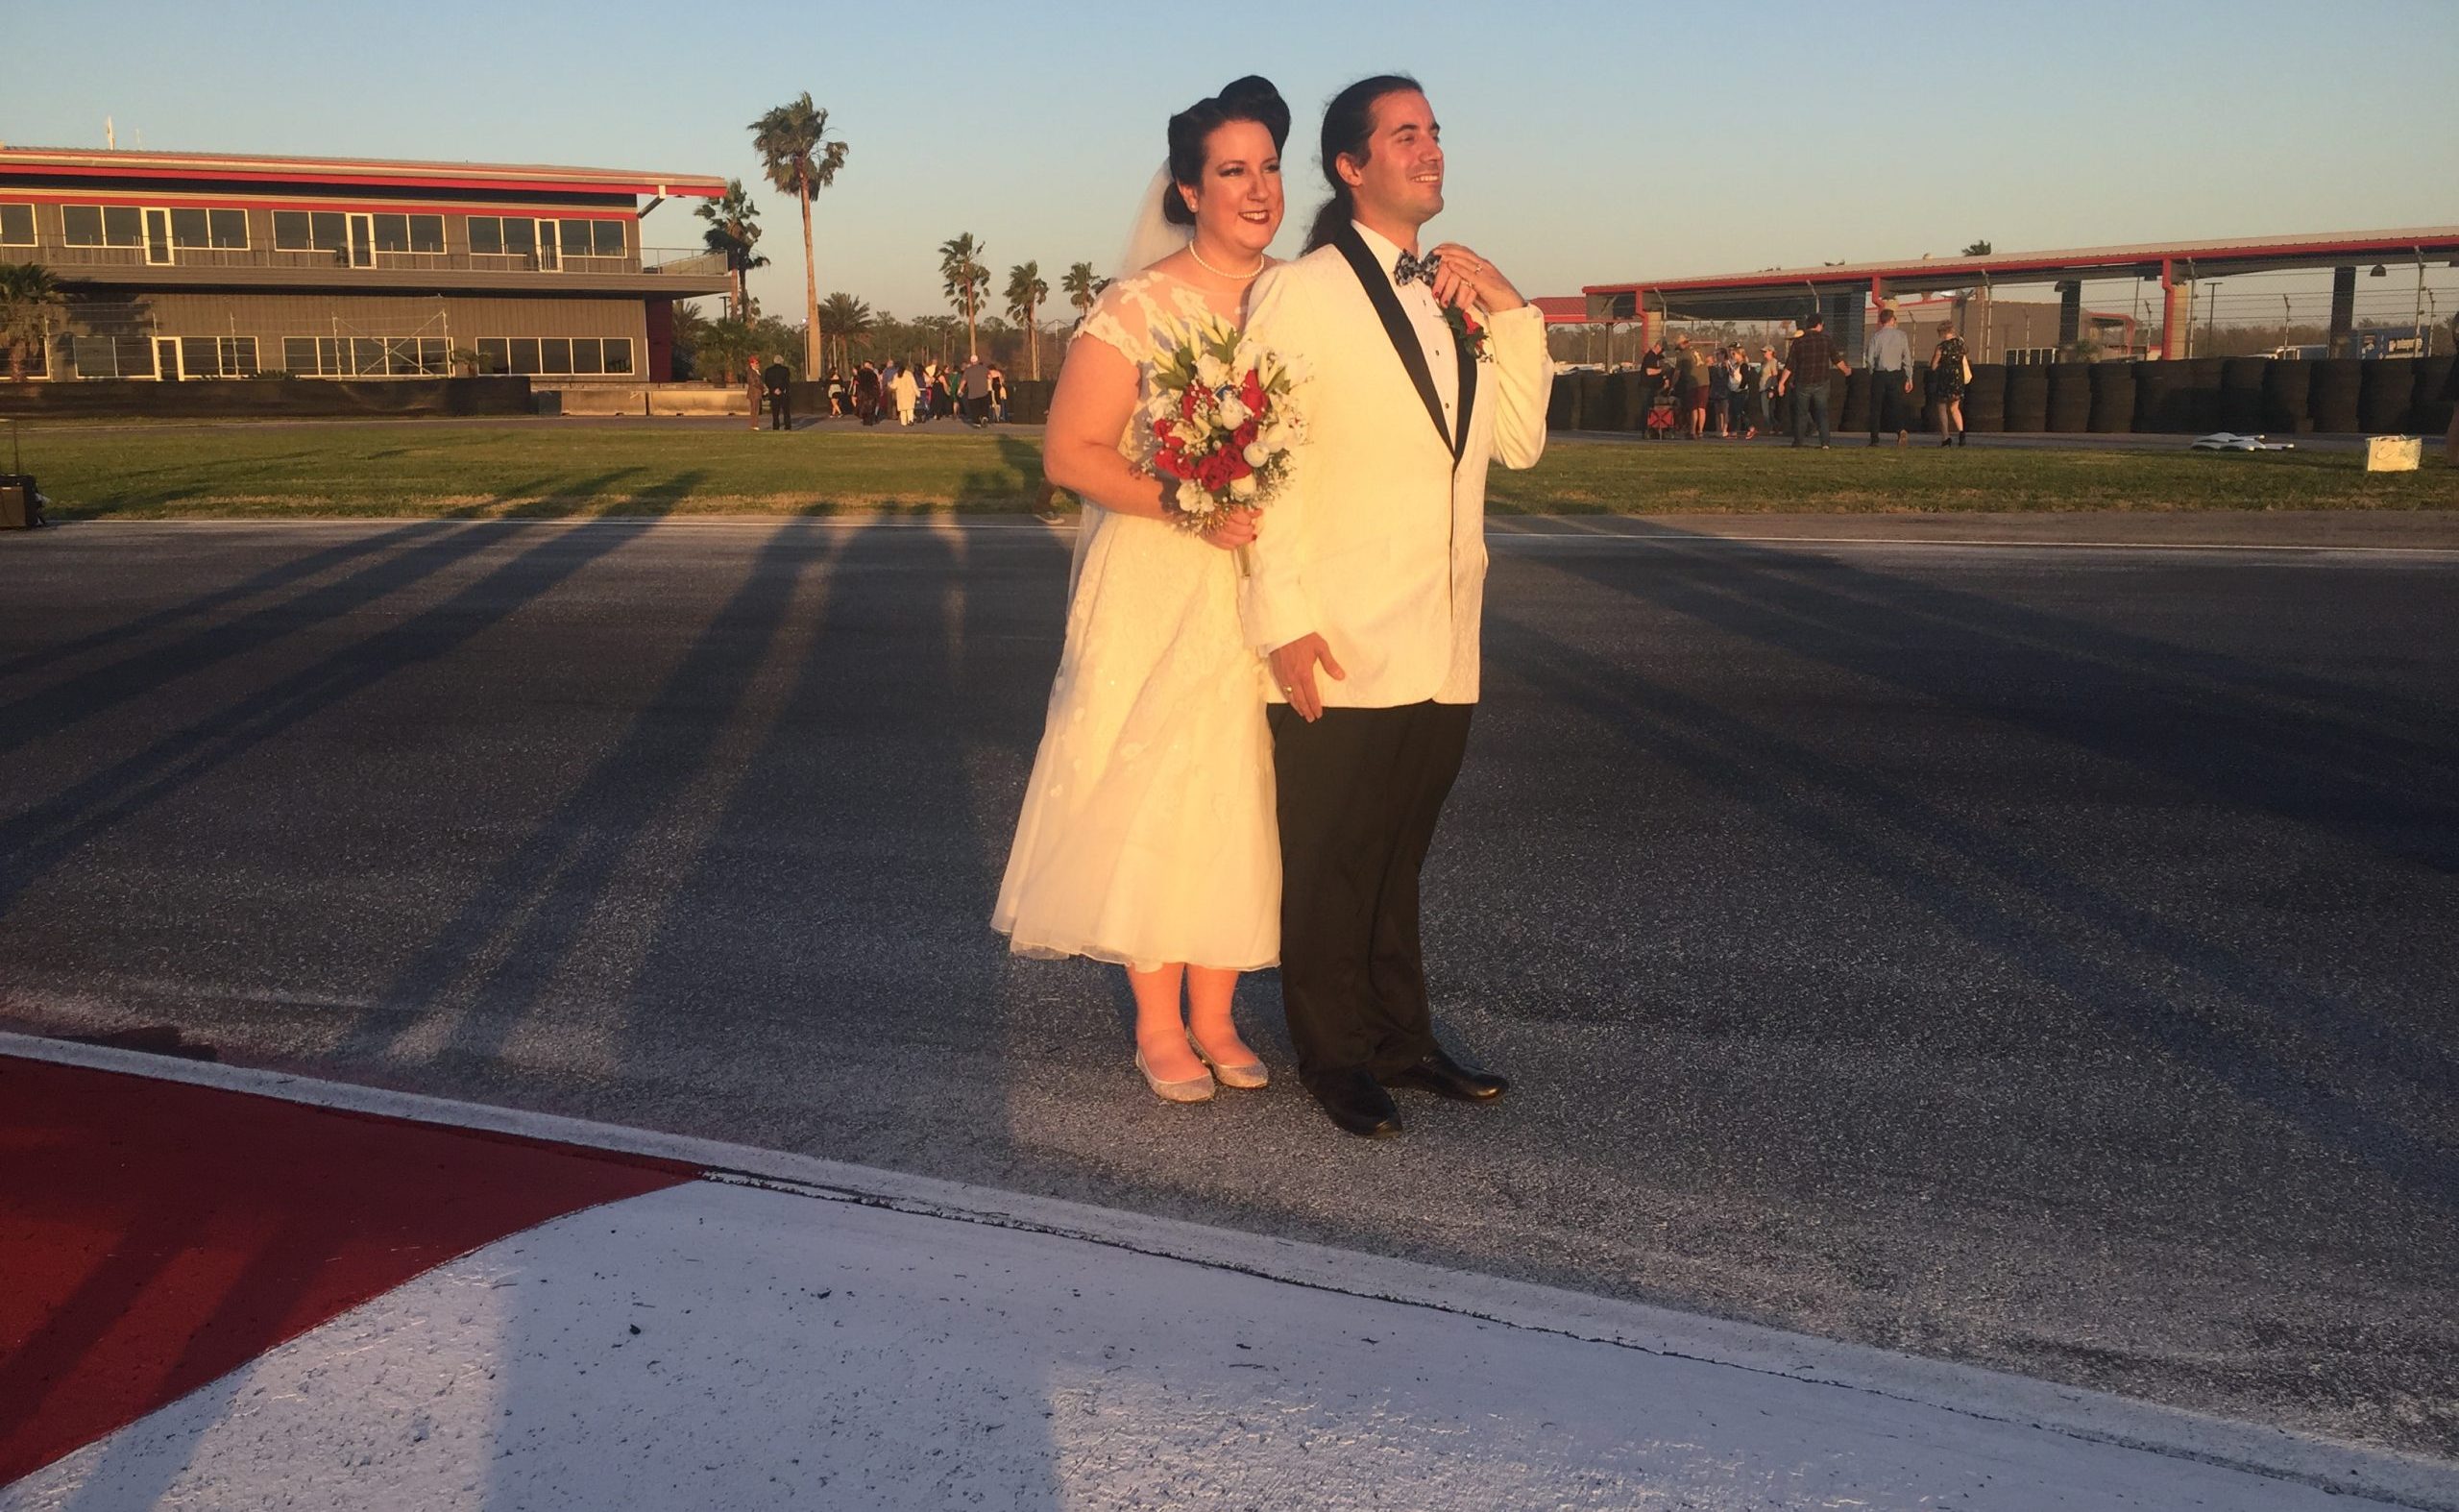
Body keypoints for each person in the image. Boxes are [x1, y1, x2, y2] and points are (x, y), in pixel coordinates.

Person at [1242, 74, 1551, 1138]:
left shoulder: (1454, 294)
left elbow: (1516, 442)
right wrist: (1279, 619)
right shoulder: (1303, 291)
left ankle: (1401, 1037)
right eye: (1404, 134)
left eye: (1434, 132)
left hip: (1445, 630)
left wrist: (1510, 314)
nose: (1429, 150)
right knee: (1332, 854)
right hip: (1338, 629)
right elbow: (1260, 469)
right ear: (1350, 165)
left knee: (1396, 852)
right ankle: (1334, 1057)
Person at [994, 76, 1292, 1104]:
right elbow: (1071, 453)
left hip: (1263, 574)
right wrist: (1189, 500)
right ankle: (1161, 1021)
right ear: (1187, 188)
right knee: (1156, 782)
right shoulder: (1138, 306)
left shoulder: (1297, 296)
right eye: (1231, 171)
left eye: (1267, 167)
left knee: (1242, 791)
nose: (1256, 189)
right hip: (1160, 572)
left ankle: (1220, 1010)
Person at [1789, 312, 1849, 448]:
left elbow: (1790, 365)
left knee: (1801, 413)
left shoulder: (1798, 342)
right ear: (1819, 325)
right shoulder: (1827, 340)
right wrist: (1847, 371)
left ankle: (1798, 442)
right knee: (1822, 412)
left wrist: (1781, 383)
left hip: (1803, 382)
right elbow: (1836, 360)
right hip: (1822, 382)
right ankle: (1825, 443)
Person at [1864, 305, 1914, 448]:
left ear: (1881, 321)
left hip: (1880, 374)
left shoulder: (1876, 337)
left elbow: (1869, 358)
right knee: (1896, 405)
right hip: (1896, 374)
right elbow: (1907, 358)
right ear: (1892, 320)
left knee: (1876, 407)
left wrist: (1872, 371)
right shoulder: (1902, 335)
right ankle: (1900, 430)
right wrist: (1909, 377)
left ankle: (1875, 438)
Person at [1931, 321, 1969, 447]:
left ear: (1942, 332)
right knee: (1954, 407)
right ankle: (1961, 433)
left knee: (1942, 407)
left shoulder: (1941, 347)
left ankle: (1946, 437)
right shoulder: (1961, 345)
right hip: (1958, 379)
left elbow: (1934, 366)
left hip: (1945, 379)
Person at [961, 354, 992, 427]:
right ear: (977, 360)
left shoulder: (968, 370)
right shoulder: (984, 368)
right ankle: (984, 416)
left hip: (972, 393)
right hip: (984, 391)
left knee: (975, 408)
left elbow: (963, 381)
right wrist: (989, 385)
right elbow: (990, 377)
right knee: (984, 405)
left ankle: (977, 421)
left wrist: (960, 389)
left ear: (971, 362)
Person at [761, 358, 792, 430]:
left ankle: (776, 426)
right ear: (781, 361)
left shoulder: (769, 370)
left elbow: (767, 381)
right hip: (783, 393)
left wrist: (773, 389)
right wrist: (781, 389)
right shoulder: (785, 370)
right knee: (786, 411)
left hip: (773, 394)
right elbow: (787, 381)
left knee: (775, 412)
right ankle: (787, 426)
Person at [889, 359, 918, 426]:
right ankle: (910, 420)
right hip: (910, 395)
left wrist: (890, 385)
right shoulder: (909, 374)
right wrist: (917, 393)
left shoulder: (896, 375)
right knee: (910, 409)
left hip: (901, 395)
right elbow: (914, 385)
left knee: (902, 410)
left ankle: (903, 423)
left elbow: (894, 386)